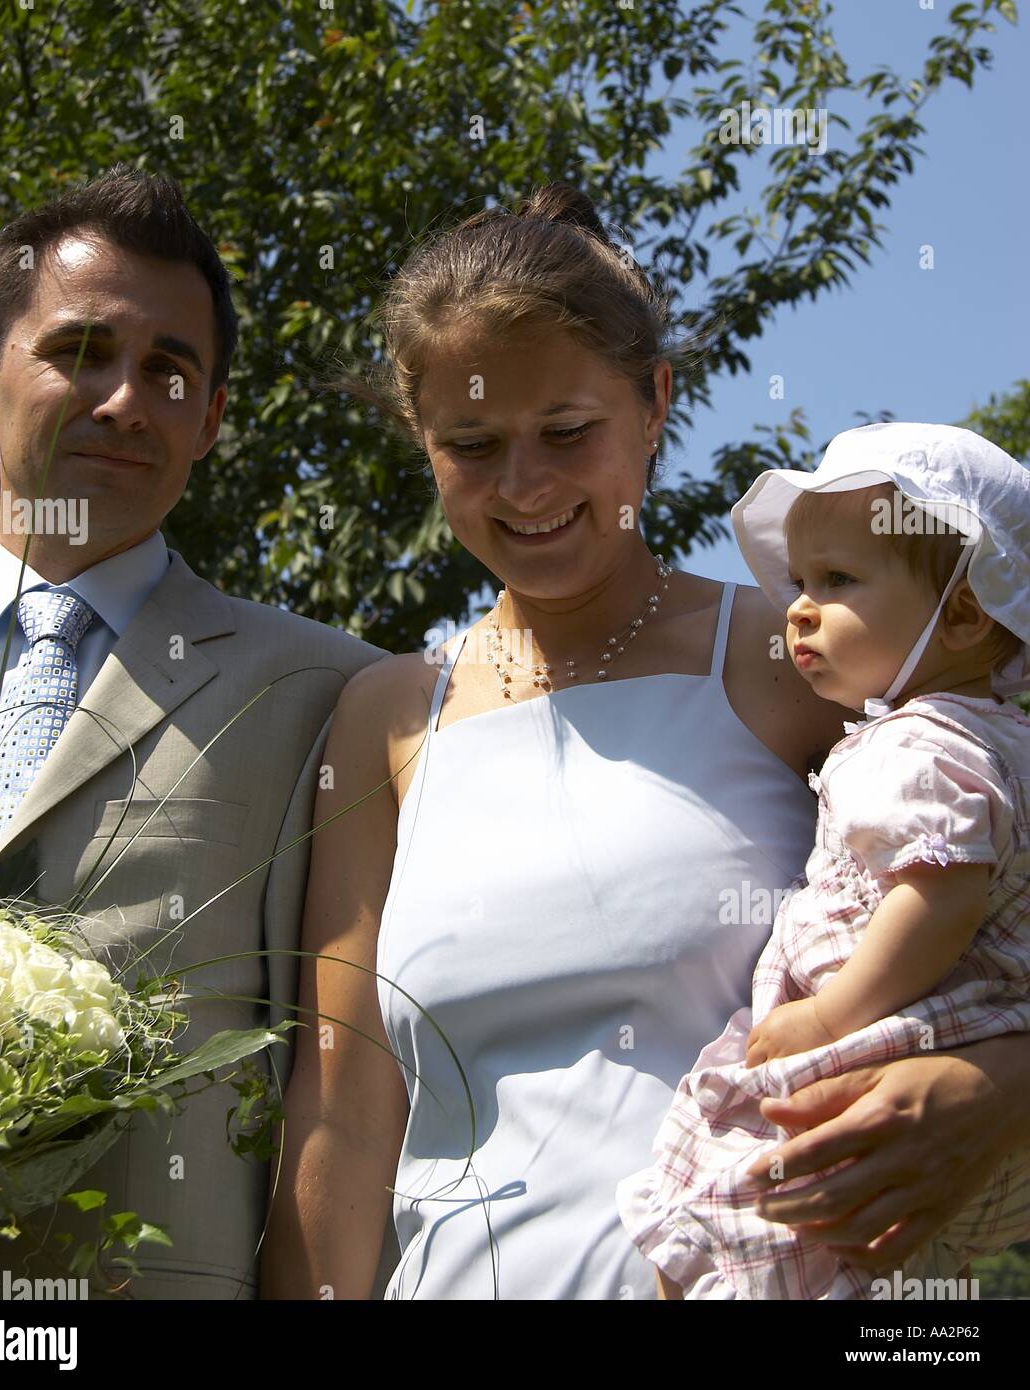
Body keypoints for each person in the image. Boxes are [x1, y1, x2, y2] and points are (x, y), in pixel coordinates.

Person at [259, 182, 1030, 1300]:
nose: (525, 487)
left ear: (657, 402)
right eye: (472, 444)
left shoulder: (800, 661)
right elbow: (340, 1101)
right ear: (421, 442)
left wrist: (1007, 1085)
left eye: (569, 432)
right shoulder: (384, 714)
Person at [0, 165, 387, 1299]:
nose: (127, 399)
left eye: (170, 372)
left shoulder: (335, 691)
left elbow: (344, 1080)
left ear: (214, 418)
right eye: (82, 351)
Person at [616, 422, 1030, 1299]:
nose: (799, 606)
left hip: (878, 1049)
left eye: (838, 581)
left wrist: (830, 1015)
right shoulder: (994, 737)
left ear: (961, 611)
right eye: (801, 580)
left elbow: (939, 897)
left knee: (730, 1212)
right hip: (972, 1063)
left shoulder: (917, 745)